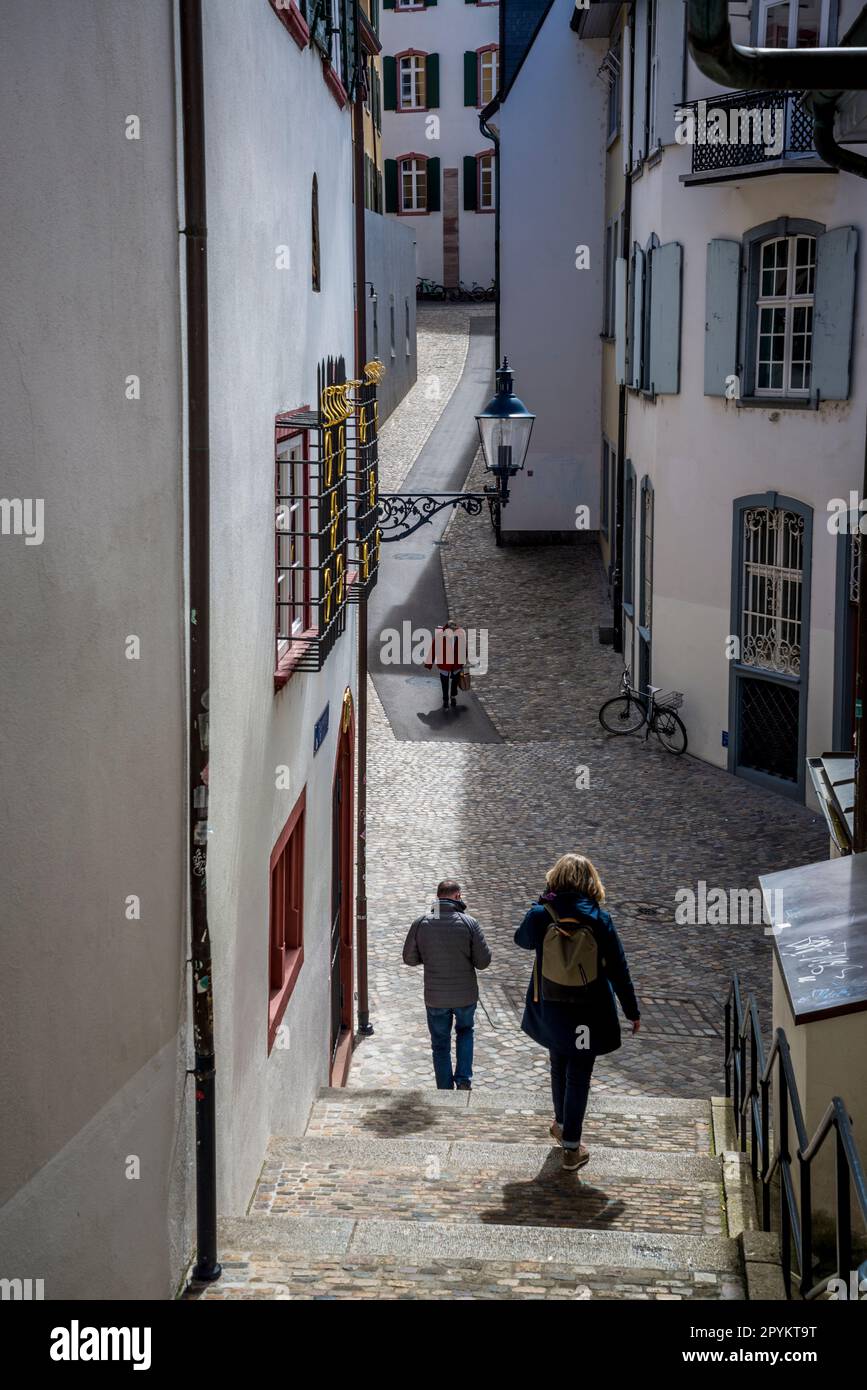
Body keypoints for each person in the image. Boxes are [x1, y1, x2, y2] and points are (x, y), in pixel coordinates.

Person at [515, 853, 640, 1171]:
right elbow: (618, 968)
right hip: (589, 1009)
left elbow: (522, 940)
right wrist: (631, 1009)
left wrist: (538, 904)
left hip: (552, 1005)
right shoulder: (599, 918)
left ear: (555, 879)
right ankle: (571, 1146)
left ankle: (562, 1127)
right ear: (590, 882)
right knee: (579, 1076)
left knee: (559, 1065)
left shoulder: (542, 914)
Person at [402, 879, 491, 1090]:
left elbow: (409, 958)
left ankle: (444, 1088)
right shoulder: (469, 923)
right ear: (458, 896)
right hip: (465, 996)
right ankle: (463, 1080)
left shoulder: (421, 922)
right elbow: (483, 962)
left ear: (437, 896)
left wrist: (430, 956)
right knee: (465, 1032)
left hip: (436, 997)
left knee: (440, 1044)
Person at [424, 620, 466, 709]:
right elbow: (433, 648)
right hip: (444, 663)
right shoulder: (440, 636)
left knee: (455, 681)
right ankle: (445, 700)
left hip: (456, 663)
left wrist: (462, 662)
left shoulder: (460, 635)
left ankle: (453, 696)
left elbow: (463, 649)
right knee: (444, 683)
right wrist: (429, 663)